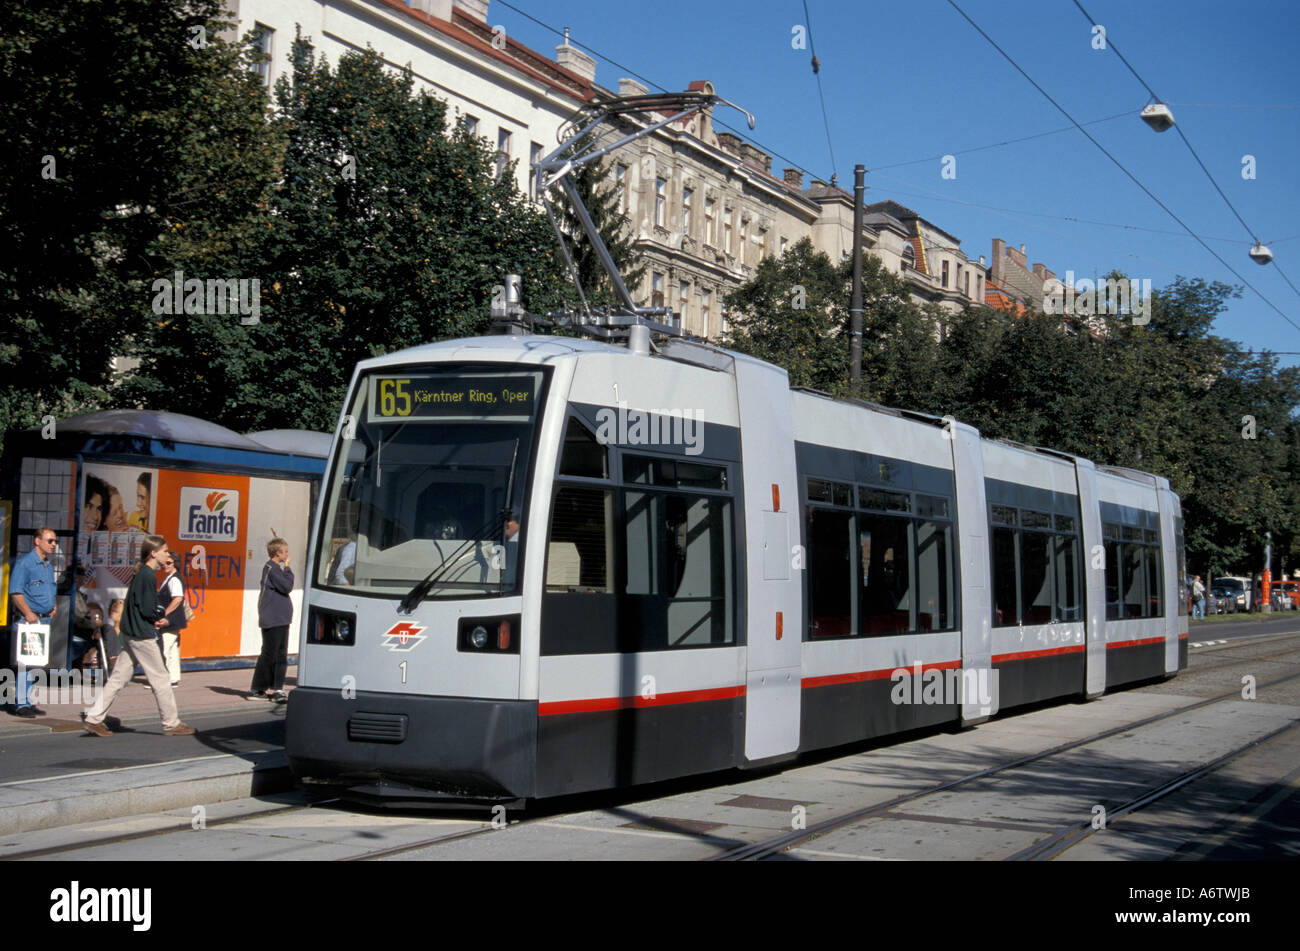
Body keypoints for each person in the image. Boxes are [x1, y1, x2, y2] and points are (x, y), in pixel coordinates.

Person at [82, 535, 195, 736]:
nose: (167, 555)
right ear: (154, 553)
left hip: (131, 633)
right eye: (165, 551)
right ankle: (171, 723)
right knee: (161, 678)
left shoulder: (141, 573)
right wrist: (161, 617)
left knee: (118, 678)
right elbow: (147, 608)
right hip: (142, 634)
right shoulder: (148, 575)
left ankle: (94, 718)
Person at [6, 527, 60, 717]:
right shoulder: (25, 564)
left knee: (36, 664)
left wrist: (52, 606)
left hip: (43, 620)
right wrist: (28, 613)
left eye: (55, 541)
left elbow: (48, 590)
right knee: (25, 663)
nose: (53, 544)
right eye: (50, 541)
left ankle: (27, 700)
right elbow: (16, 592)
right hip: (29, 621)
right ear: (37, 541)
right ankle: (21, 704)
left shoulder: (47, 565)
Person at [250, 538, 293, 703]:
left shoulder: (277, 569)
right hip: (273, 618)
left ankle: (278, 688)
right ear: (278, 553)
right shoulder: (271, 568)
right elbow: (286, 586)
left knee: (281, 654)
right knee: (269, 654)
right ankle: (258, 688)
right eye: (285, 552)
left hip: (282, 618)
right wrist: (288, 568)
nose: (287, 555)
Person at [156, 550, 185, 685]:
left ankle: (162, 679)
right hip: (175, 620)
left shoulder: (174, 579)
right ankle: (173, 678)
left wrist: (165, 613)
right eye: (163, 564)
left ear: (175, 564)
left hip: (170, 620)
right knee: (172, 650)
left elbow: (178, 598)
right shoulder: (170, 578)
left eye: (168, 563)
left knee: (164, 649)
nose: (165, 566)